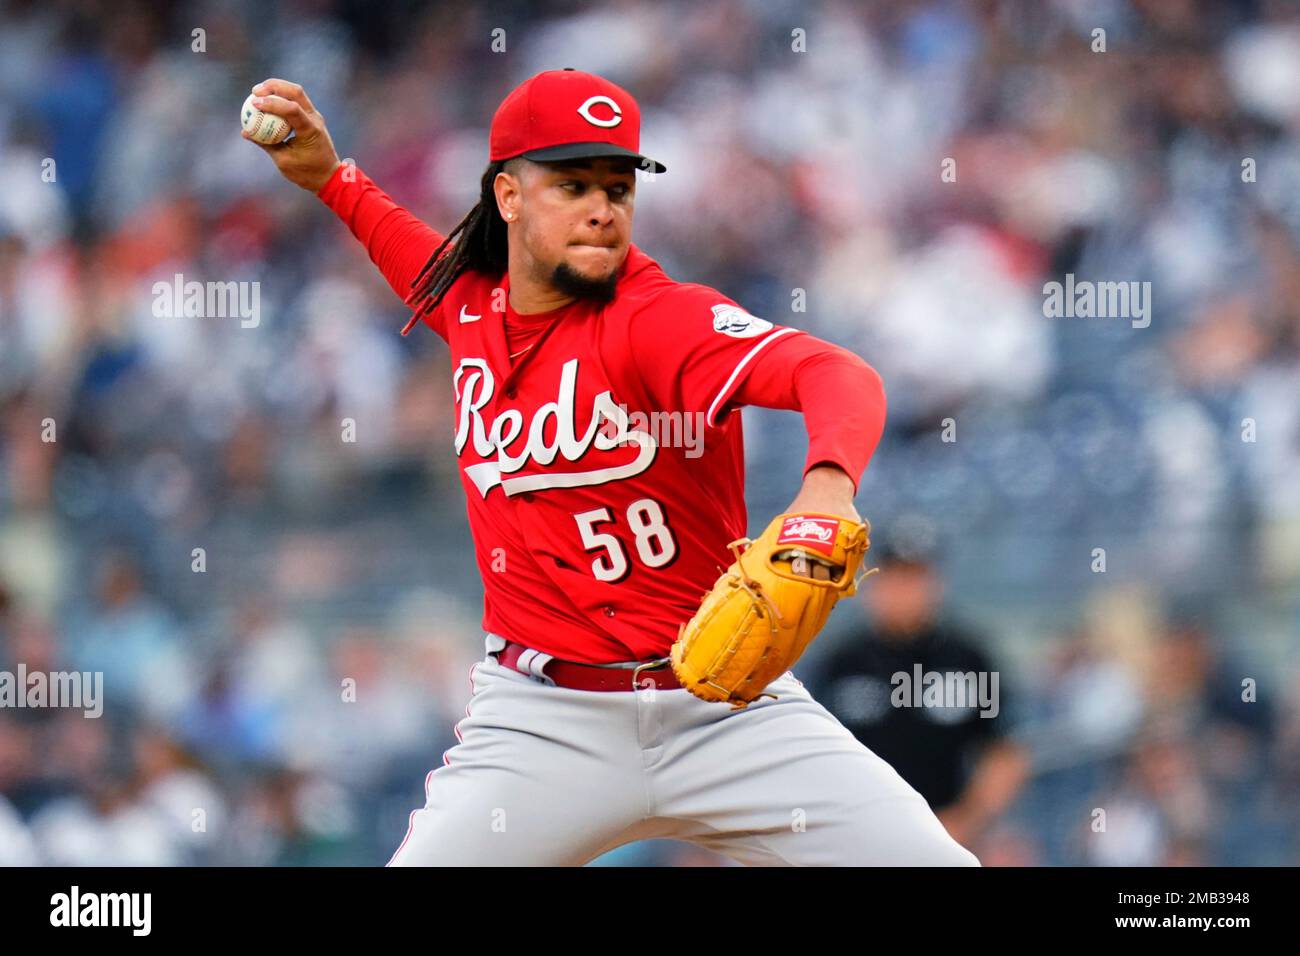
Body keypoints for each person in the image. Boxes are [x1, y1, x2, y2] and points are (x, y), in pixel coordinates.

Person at [245, 68, 978, 866]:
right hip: (540, 722)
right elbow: (411, 255)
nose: (602, 207)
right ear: (509, 196)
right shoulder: (470, 304)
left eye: (617, 187)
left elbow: (838, 375)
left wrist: (827, 486)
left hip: (725, 708)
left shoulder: (660, 319)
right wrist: (330, 177)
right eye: (572, 184)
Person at [815, 535, 1028, 850]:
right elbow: (815, 752)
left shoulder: (968, 658)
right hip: (859, 836)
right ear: (872, 583)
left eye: (913, 578)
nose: (903, 590)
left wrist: (967, 820)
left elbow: (1006, 751)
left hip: (949, 835)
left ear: (935, 584)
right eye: (893, 577)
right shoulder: (841, 662)